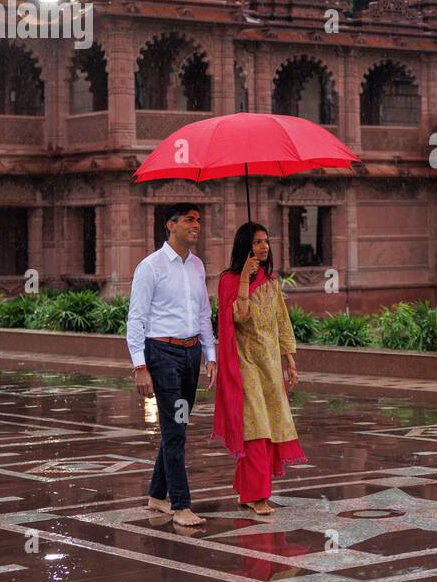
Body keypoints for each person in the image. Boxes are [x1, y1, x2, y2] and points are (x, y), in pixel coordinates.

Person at [126, 202, 217, 528]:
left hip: (191, 354)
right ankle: (180, 505)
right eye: (189, 220)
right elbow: (136, 319)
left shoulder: (196, 266)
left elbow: (204, 314)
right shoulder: (150, 267)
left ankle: (155, 494)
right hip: (162, 355)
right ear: (171, 225)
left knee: (175, 426)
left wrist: (211, 354)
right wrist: (140, 367)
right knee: (175, 430)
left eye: (198, 220)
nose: (196, 225)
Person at [214, 222, 307, 515]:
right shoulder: (229, 280)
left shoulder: (272, 281)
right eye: (256, 242)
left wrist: (289, 359)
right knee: (256, 428)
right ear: (244, 246)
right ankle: (258, 495)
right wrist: (244, 278)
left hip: (270, 366)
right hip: (245, 364)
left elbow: (281, 320)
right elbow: (239, 318)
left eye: (265, 241)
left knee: (271, 425)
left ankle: (247, 490)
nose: (263, 247)